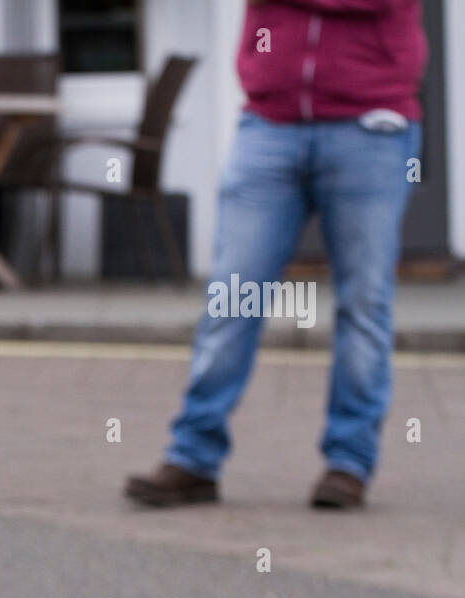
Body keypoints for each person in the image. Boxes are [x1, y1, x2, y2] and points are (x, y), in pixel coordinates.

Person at [125, 0, 425, 509]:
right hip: (268, 124)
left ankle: (349, 462)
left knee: (365, 302)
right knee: (232, 296)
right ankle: (194, 457)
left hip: (371, 126)